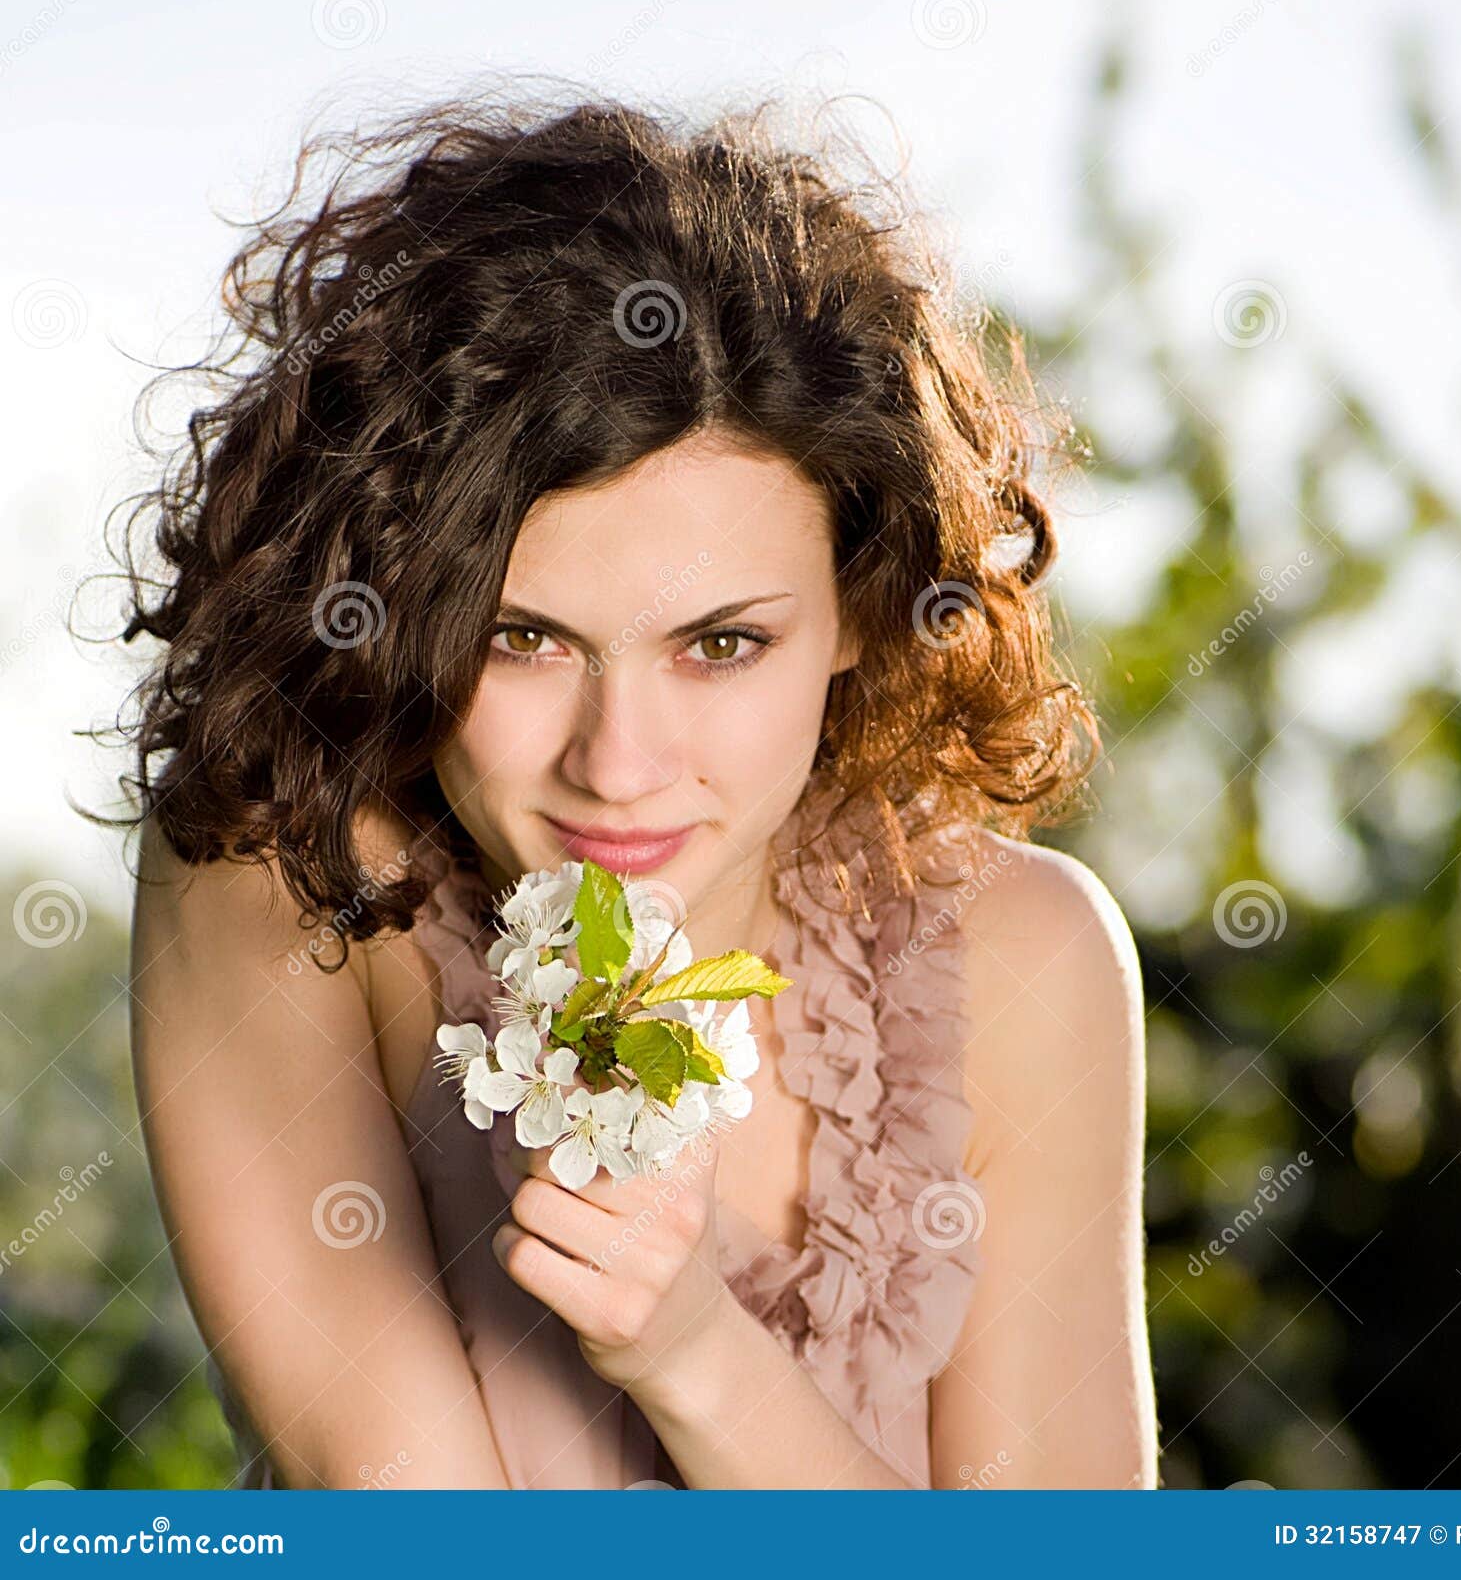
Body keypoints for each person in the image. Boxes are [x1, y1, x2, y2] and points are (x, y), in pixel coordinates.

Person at [108, 81, 1158, 1489]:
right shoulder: (284, 875)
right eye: (521, 638)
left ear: (859, 604)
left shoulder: (1028, 958)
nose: (615, 764)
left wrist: (694, 1357)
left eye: (722, 645)